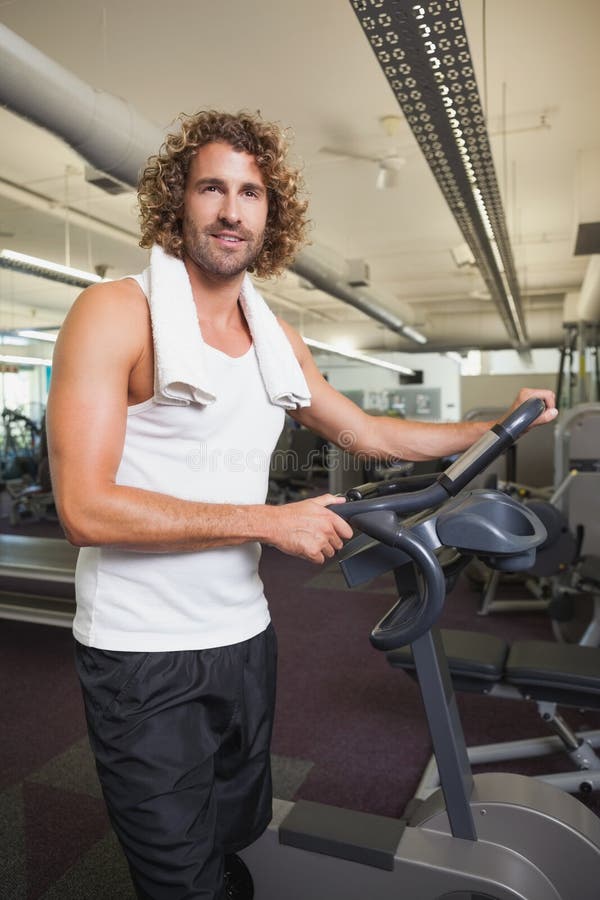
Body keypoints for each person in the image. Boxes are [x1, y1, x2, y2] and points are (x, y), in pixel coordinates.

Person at [46, 109, 557, 899]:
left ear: (269, 213)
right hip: (141, 651)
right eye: (212, 188)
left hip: (245, 637)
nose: (232, 210)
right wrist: (269, 522)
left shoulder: (276, 339)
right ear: (177, 201)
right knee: (177, 875)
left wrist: (491, 427)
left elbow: (368, 433)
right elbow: (85, 509)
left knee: (236, 833)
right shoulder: (114, 313)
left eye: (250, 193)